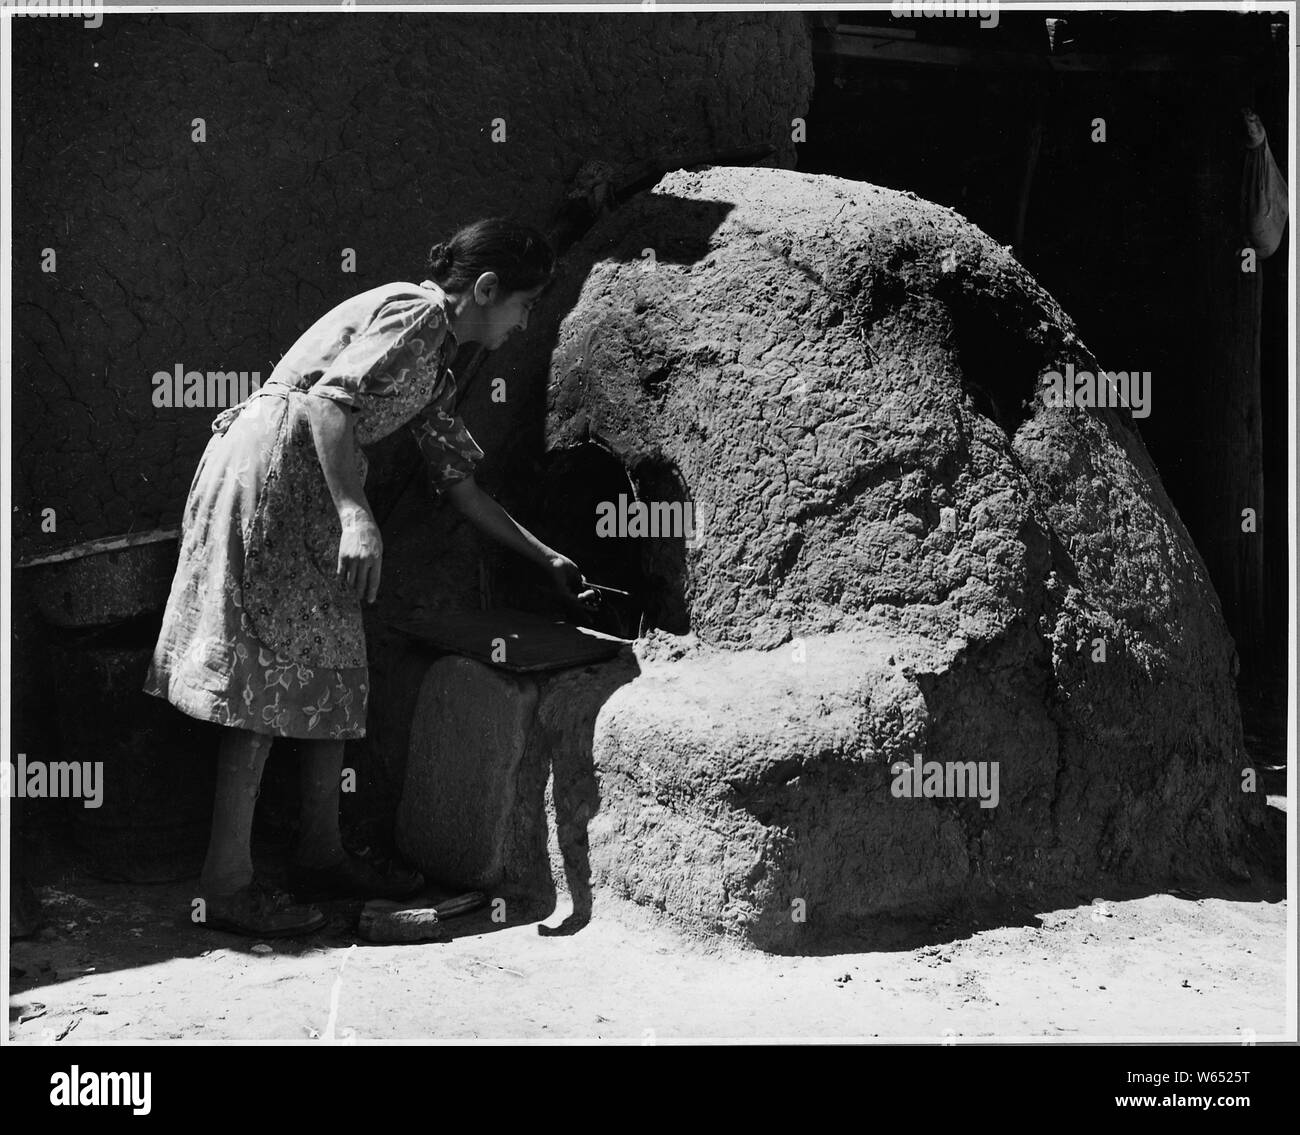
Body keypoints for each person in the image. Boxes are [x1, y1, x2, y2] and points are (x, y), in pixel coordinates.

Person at [144, 218, 590, 936]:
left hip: (300, 484)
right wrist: (356, 514)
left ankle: (320, 854)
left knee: (332, 662)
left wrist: (548, 558)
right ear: (484, 288)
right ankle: (226, 882)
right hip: (276, 471)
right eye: (526, 304)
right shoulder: (418, 314)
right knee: (264, 668)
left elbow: (460, 484)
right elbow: (328, 402)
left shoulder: (438, 362)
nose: (524, 321)